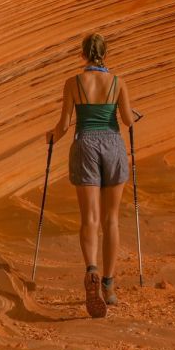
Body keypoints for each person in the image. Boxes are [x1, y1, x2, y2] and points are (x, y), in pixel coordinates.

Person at [45, 32, 137, 318]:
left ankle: (91, 269)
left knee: (89, 219)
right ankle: (108, 286)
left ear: (83, 55)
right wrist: (134, 114)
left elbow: (63, 125)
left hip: (85, 143)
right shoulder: (118, 82)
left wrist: (51, 136)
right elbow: (127, 120)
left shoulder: (73, 83)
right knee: (111, 219)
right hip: (112, 144)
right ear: (105, 54)